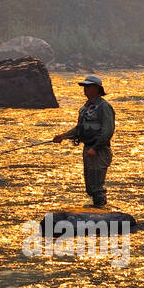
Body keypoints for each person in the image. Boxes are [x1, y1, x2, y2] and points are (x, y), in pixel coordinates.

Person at [52, 75, 115, 208]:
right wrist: (63, 136)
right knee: (90, 186)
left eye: (88, 86)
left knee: (97, 185)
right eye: (84, 86)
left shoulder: (104, 107)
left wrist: (95, 148)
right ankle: (98, 210)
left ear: (97, 88)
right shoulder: (86, 107)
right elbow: (79, 129)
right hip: (89, 149)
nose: (85, 89)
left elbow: (107, 131)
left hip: (99, 151)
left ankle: (102, 211)